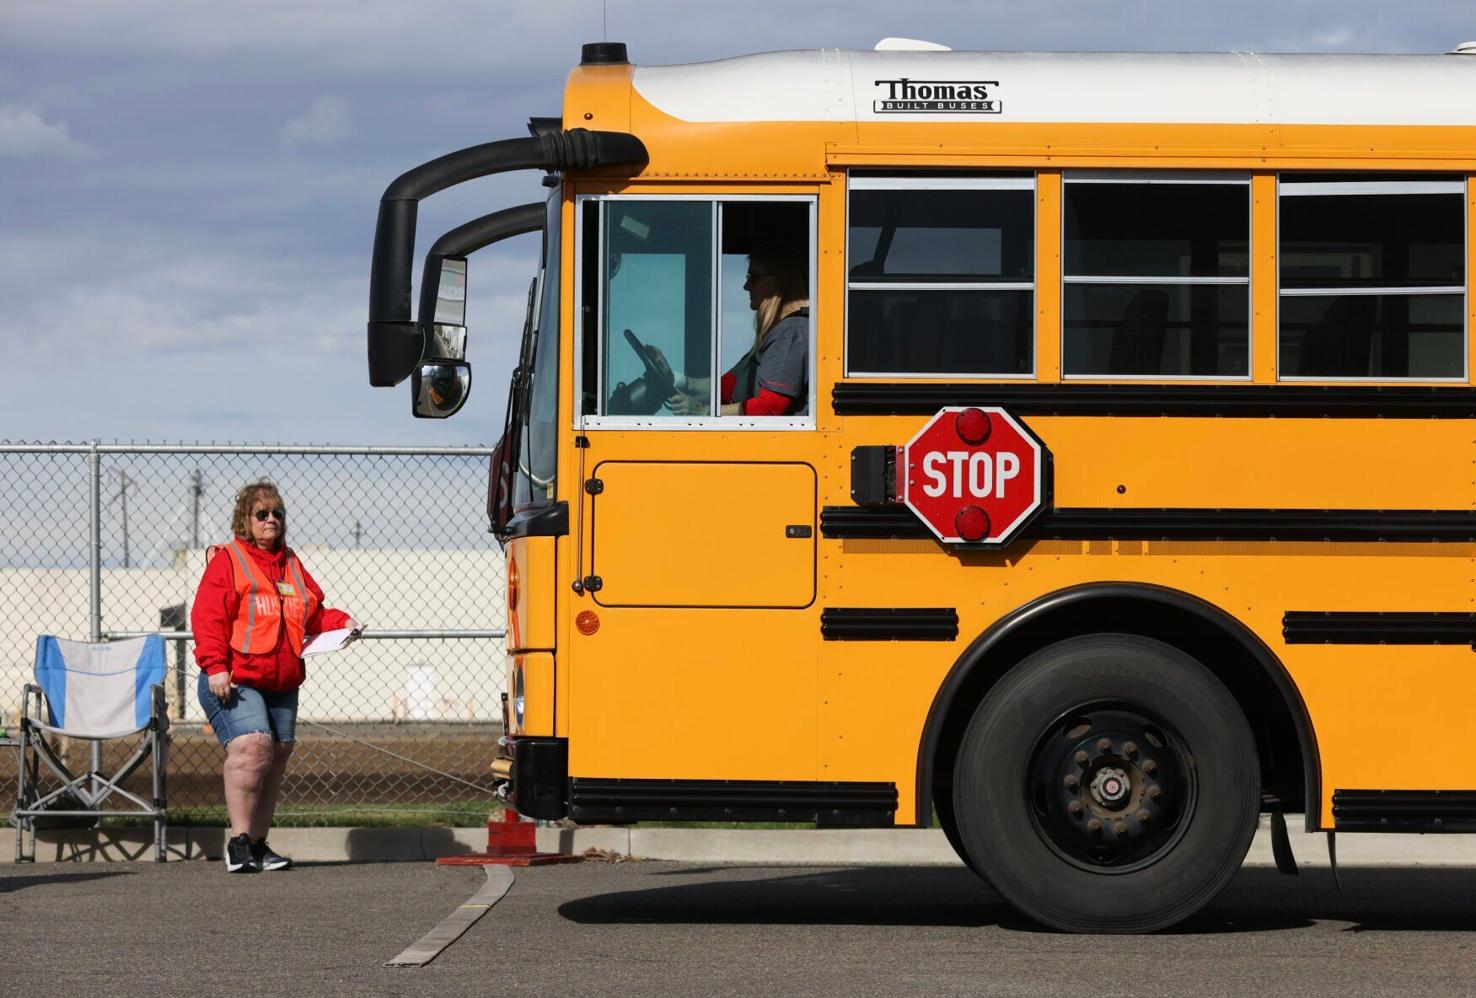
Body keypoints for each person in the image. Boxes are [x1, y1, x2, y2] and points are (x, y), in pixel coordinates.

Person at [191, 480, 359, 873]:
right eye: (262, 514)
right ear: (246, 520)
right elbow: (208, 616)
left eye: (277, 514)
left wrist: (342, 623)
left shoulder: (291, 563)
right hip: (236, 676)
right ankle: (239, 844)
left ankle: (259, 844)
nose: (271, 520)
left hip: (282, 679)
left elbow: (313, 613)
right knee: (253, 747)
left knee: (277, 755)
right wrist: (215, 665)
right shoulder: (228, 560)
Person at [660, 241, 809, 416]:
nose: (746, 286)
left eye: (753, 277)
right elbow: (727, 388)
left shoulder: (790, 333)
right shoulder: (777, 334)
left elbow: (770, 408)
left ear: (780, 280)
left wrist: (704, 411)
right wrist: (675, 379)